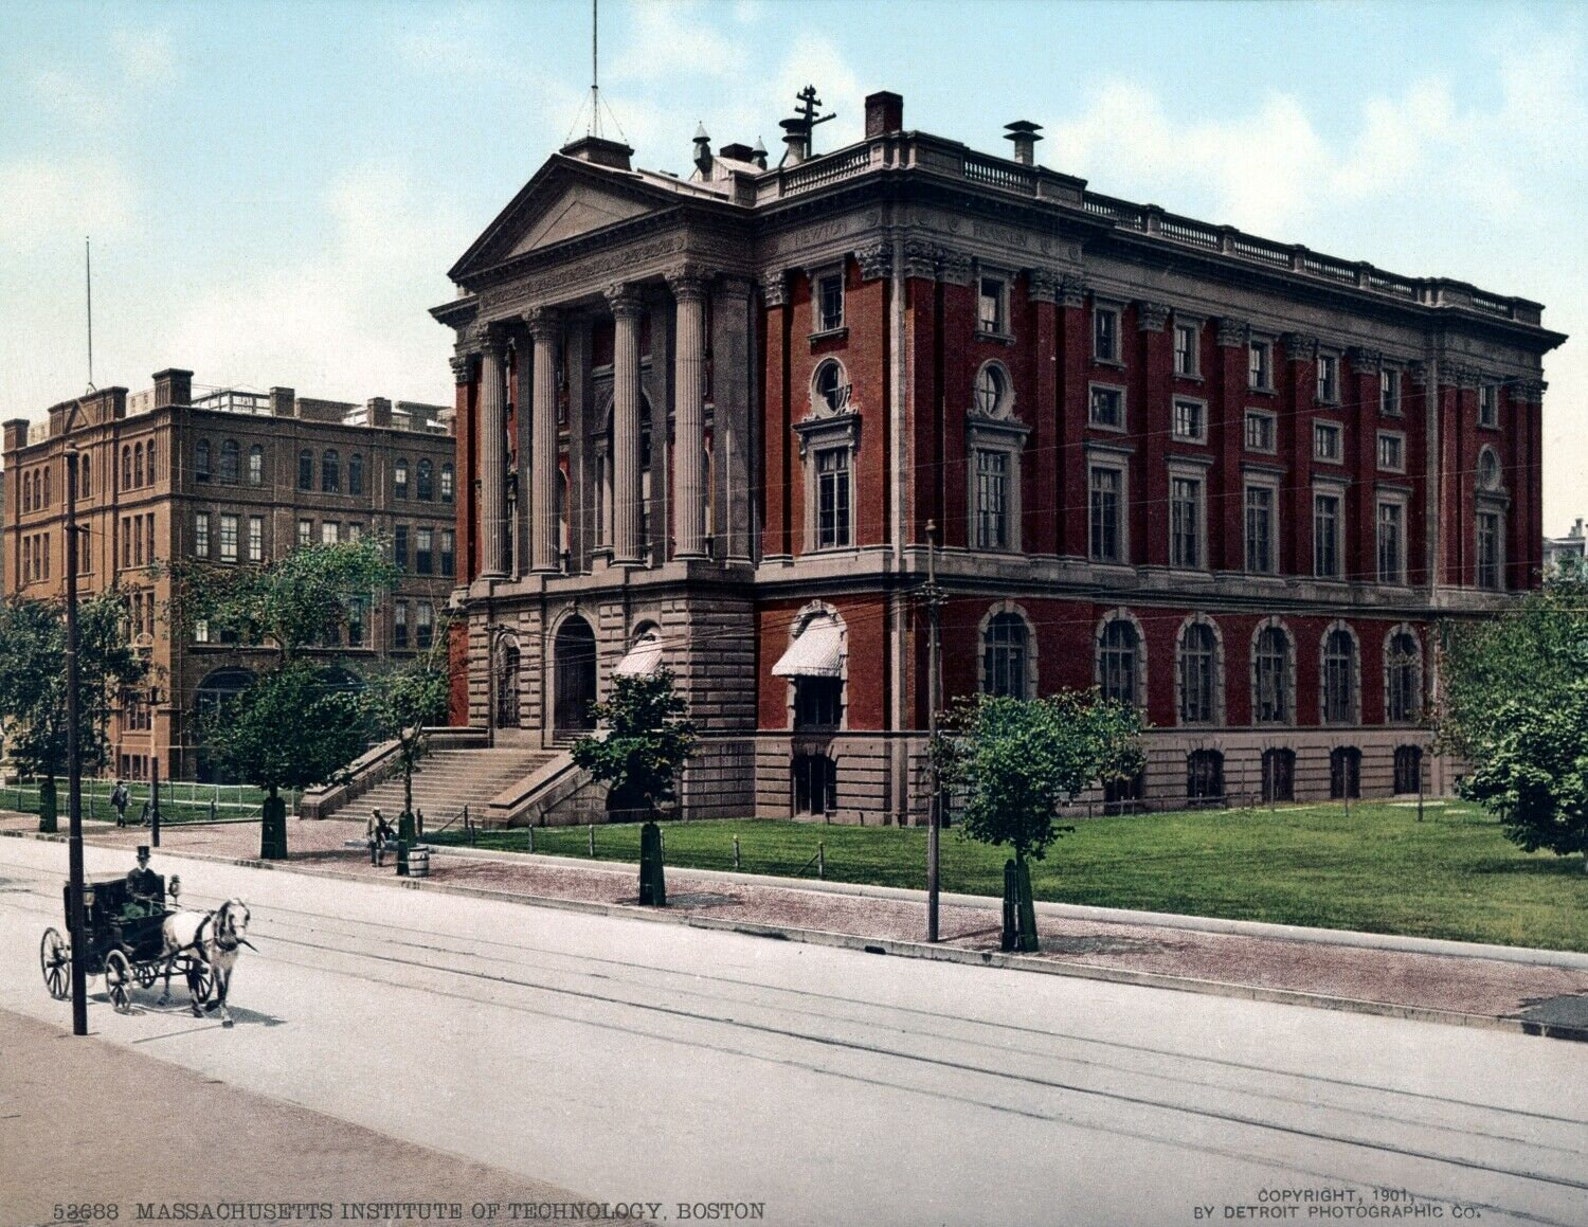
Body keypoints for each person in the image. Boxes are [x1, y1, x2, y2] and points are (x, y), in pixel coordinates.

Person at [123, 846, 162, 918]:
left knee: (158, 913)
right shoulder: (132, 874)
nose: (143, 862)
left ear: (148, 861)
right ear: (138, 861)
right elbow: (130, 891)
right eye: (141, 860)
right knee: (140, 914)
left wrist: (153, 895)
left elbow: (156, 888)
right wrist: (141, 898)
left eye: (145, 860)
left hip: (149, 902)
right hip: (136, 903)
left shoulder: (151, 873)